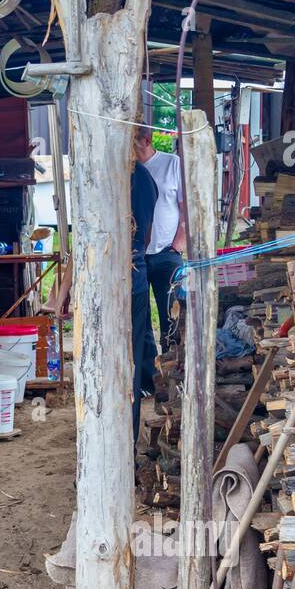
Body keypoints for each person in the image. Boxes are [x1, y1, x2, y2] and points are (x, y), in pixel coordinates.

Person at [135, 126, 186, 396]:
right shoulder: (127, 169)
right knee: (140, 319)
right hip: (138, 257)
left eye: (133, 143)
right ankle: (151, 380)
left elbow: (185, 206)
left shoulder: (171, 164)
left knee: (172, 316)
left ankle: (173, 375)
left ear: (146, 139)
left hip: (167, 253)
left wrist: (178, 243)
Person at [130, 155, 158, 444]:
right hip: (136, 272)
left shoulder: (105, 171)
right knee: (133, 364)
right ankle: (128, 441)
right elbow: (147, 237)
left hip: (114, 278)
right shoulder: (146, 178)